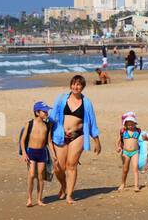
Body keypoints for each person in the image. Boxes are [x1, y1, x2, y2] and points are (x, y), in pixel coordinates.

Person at [48, 74, 101, 204]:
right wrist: (46, 134)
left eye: (78, 84)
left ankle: (69, 195)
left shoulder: (86, 103)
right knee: (58, 167)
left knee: (71, 166)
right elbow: (52, 117)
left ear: (82, 87)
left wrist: (97, 141)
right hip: (60, 135)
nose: (75, 87)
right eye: (73, 84)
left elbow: (92, 122)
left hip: (78, 136)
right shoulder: (61, 99)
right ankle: (64, 186)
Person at [18, 100, 55, 208]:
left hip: (42, 152)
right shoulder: (29, 124)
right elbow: (23, 140)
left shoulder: (47, 126)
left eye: (47, 111)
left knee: (41, 176)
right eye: (44, 111)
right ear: (37, 112)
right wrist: (24, 153)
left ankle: (39, 199)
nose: (46, 113)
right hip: (31, 152)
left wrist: (53, 154)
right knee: (31, 174)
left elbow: (49, 141)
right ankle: (29, 198)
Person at [117, 111, 148, 192]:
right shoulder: (123, 131)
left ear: (135, 123)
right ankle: (123, 183)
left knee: (135, 169)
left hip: (135, 152)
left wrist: (146, 144)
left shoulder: (138, 131)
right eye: (128, 125)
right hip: (125, 152)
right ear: (125, 124)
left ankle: (136, 186)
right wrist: (119, 147)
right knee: (125, 169)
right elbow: (119, 141)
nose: (130, 126)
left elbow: (142, 140)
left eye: (132, 124)